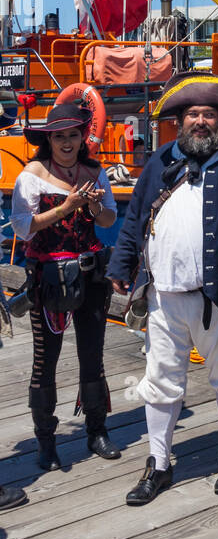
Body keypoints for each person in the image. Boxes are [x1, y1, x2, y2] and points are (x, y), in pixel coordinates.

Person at [109, 74, 218, 505]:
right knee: (159, 382)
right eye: (193, 114)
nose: (200, 121)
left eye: (208, 115)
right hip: (162, 297)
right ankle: (158, 463)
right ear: (180, 121)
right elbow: (136, 218)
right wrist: (122, 264)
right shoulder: (159, 162)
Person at [11, 101, 118, 471]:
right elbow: (23, 226)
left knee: (93, 355)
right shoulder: (32, 174)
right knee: (46, 360)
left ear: (80, 137)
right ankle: (46, 442)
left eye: (73, 135)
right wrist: (66, 206)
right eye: (60, 136)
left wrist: (90, 208)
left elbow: (107, 220)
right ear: (49, 139)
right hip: (50, 279)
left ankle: (97, 430)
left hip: (90, 275)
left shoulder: (93, 170)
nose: (68, 142)